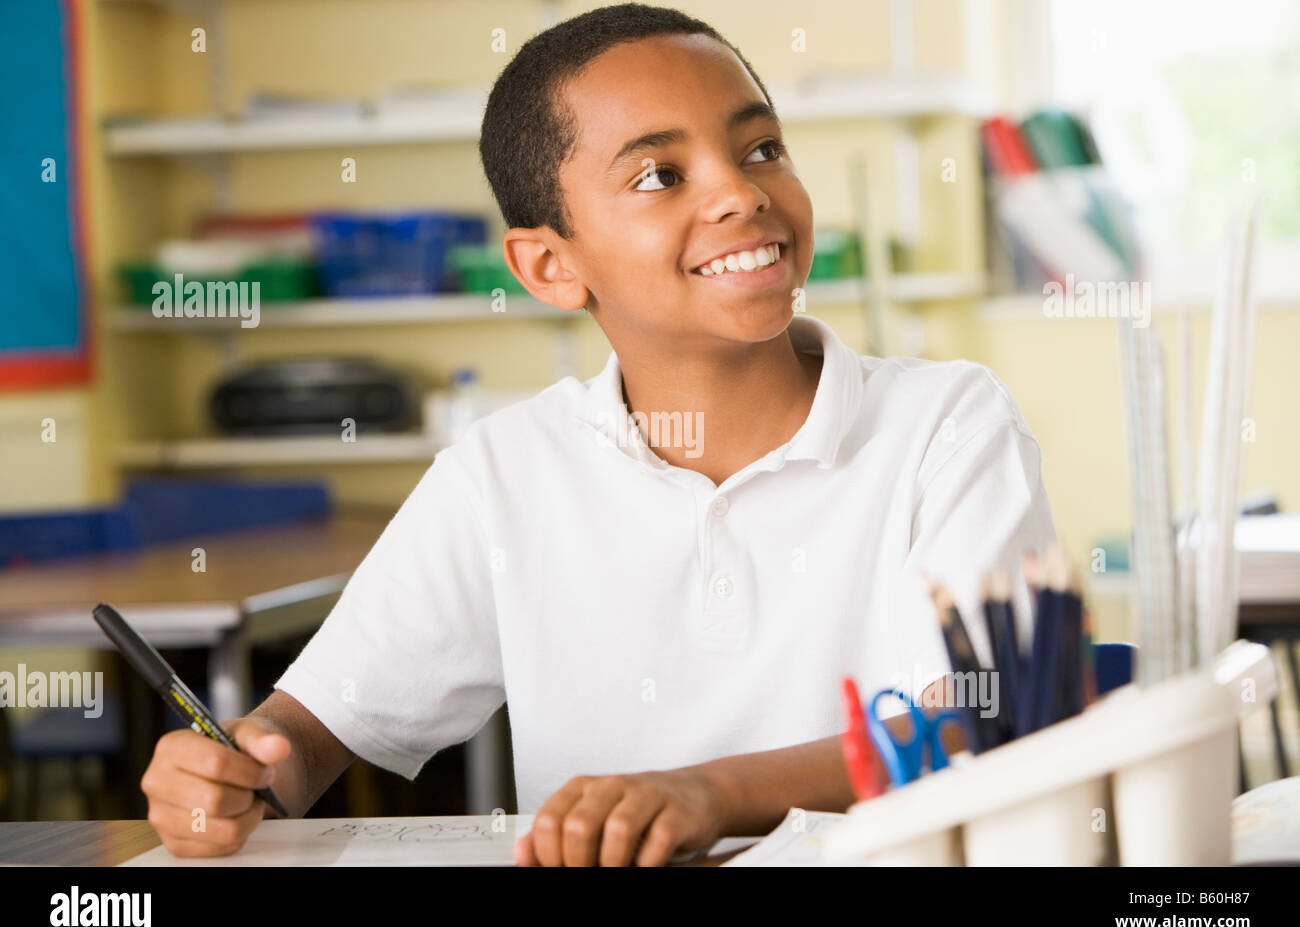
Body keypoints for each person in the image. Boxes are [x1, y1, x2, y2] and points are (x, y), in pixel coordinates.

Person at [141, 3, 1055, 866]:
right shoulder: (503, 475)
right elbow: (308, 736)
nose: (740, 191)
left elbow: (975, 722)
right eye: (661, 174)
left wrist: (710, 795)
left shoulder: (946, 425)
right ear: (550, 264)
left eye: (762, 147)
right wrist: (236, 778)